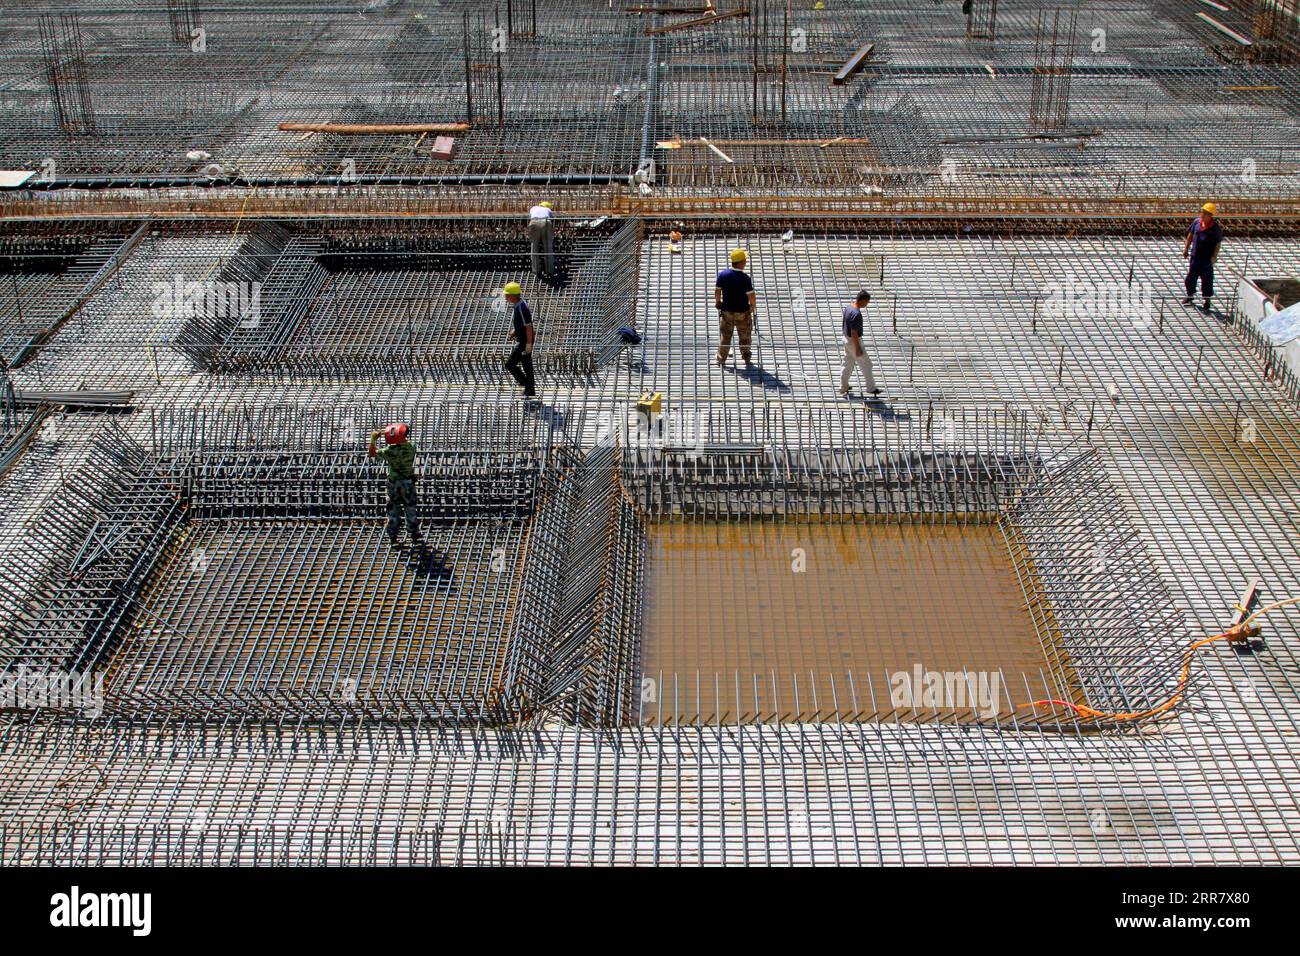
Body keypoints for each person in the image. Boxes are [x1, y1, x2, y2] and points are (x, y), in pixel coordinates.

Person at [367, 422, 422, 547]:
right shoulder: (411, 447)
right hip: (408, 483)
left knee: (393, 510)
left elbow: (372, 453)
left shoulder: (389, 451)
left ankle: (393, 538)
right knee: (410, 508)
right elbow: (406, 439)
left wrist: (374, 438)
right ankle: (414, 535)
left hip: (393, 484)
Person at [715, 247, 756, 366]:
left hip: (727, 312)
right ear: (741, 263)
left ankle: (721, 358)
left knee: (726, 336)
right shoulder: (745, 278)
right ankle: (746, 356)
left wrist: (718, 302)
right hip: (742, 312)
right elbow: (751, 296)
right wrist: (753, 307)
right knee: (745, 335)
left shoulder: (722, 275)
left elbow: (717, 290)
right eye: (745, 261)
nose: (745, 263)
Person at [840, 290, 882, 398]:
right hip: (854, 341)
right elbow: (854, 332)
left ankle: (843, 386)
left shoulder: (848, 307)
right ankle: (871, 388)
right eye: (867, 302)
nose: (867, 304)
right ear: (862, 300)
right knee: (866, 364)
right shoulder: (856, 314)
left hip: (846, 338)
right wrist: (858, 348)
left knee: (848, 363)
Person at [1182, 202, 1223, 311]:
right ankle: (1190, 295)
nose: (1202, 215)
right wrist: (1186, 248)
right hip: (1195, 257)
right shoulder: (1196, 223)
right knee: (1190, 278)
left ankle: (1207, 300)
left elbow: (1218, 244)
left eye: (1205, 213)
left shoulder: (1215, 228)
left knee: (1207, 281)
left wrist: (1214, 257)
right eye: (1203, 212)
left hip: (1206, 260)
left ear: (1211, 215)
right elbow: (1190, 235)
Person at [503, 281, 537, 401]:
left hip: (525, 342)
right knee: (526, 366)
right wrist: (514, 331)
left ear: (513, 295)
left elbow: (528, 326)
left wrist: (528, 344)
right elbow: (522, 325)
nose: (505, 297)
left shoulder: (522, 307)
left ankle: (526, 384)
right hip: (523, 340)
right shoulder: (518, 305)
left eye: (507, 295)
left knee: (510, 364)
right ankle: (530, 389)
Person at [527, 200, 555, 277]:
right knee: (548, 247)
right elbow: (552, 218)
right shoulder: (548, 210)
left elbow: (530, 216)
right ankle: (549, 270)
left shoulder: (534, 208)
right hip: (545, 222)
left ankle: (535, 270)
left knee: (534, 247)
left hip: (534, 222)